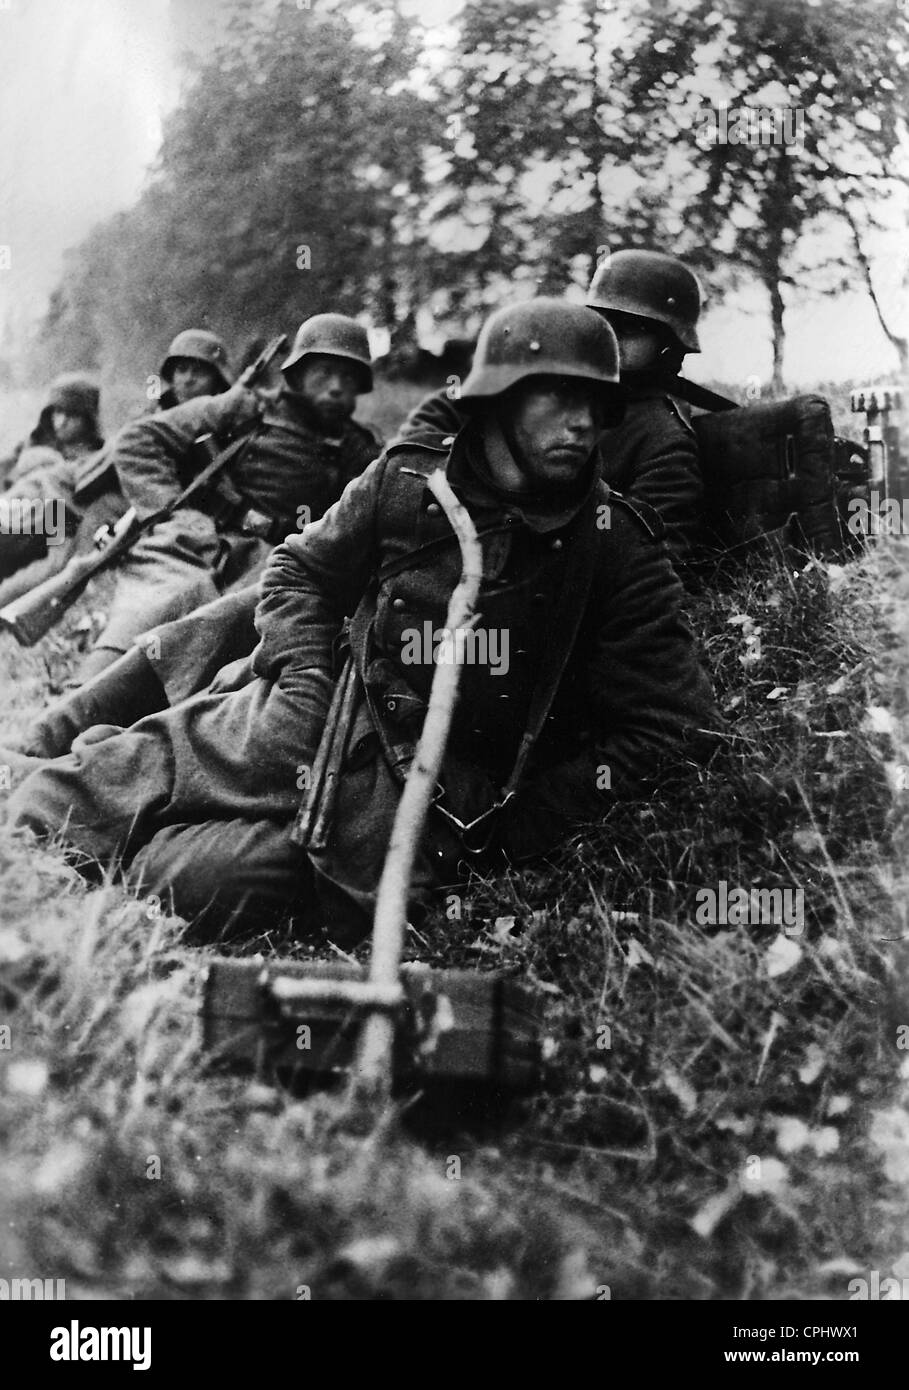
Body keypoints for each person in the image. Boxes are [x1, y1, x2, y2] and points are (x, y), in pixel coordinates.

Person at [8, 299, 717, 945]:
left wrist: (520, 823)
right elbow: (298, 569)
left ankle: (131, 863)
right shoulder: (405, 481)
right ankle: (71, 774)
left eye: (598, 404)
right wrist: (303, 674)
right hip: (318, 705)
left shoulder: (615, 543)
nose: (583, 423)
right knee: (66, 797)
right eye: (560, 397)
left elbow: (669, 727)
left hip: (421, 790)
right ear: (500, 399)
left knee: (216, 881)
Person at [74, 313, 382, 681]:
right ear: (298, 374)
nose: (335, 387)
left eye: (348, 377)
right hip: (200, 542)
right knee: (153, 608)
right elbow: (138, 442)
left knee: (221, 645)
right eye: (325, 372)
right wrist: (172, 513)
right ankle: (77, 699)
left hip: (270, 564)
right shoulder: (246, 407)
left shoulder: (361, 449)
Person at [395, 249, 707, 569]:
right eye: (602, 321)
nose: (608, 339)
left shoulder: (662, 434)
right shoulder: (549, 374)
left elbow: (657, 554)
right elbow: (433, 424)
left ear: (669, 347)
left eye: (628, 330)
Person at [0, 332, 234, 612]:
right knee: (54, 563)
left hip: (91, 506)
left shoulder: (217, 430)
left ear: (218, 378)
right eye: (181, 370)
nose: (187, 379)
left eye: (199, 371)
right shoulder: (152, 419)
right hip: (64, 501)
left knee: (39, 556)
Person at [0, 374, 105, 583]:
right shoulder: (34, 443)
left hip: (44, 526)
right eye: (58, 412)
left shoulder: (94, 459)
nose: (62, 421)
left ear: (87, 419)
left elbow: (66, 517)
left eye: (72, 415)